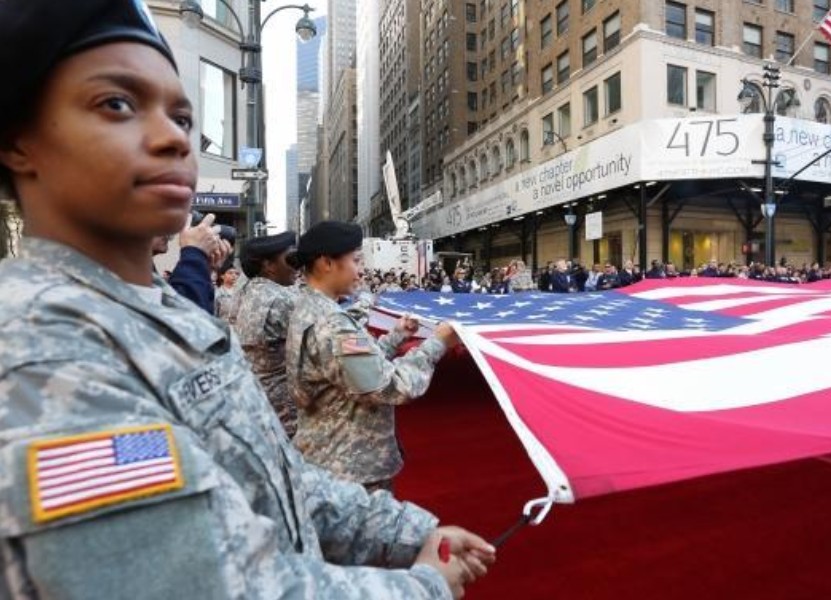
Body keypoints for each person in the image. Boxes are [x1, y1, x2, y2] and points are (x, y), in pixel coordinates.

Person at [0, 3, 493, 598]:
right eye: (117, 105)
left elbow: (274, 480)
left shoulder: (164, 312)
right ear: (17, 142)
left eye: (181, 116)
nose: (171, 138)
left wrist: (406, 530)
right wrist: (423, 587)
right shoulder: (43, 351)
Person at [287, 221, 461, 493]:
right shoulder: (332, 324)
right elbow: (389, 387)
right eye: (355, 260)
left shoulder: (310, 309)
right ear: (326, 263)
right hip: (349, 472)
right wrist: (438, 343)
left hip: (328, 461)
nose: (360, 271)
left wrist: (396, 336)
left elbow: (350, 370)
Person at [232, 231, 300, 437]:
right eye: (290, 259)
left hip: (256, 401)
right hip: (285, 412)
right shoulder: (281, 300)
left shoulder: (246, 292)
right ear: (268, 265)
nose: (296, 266)